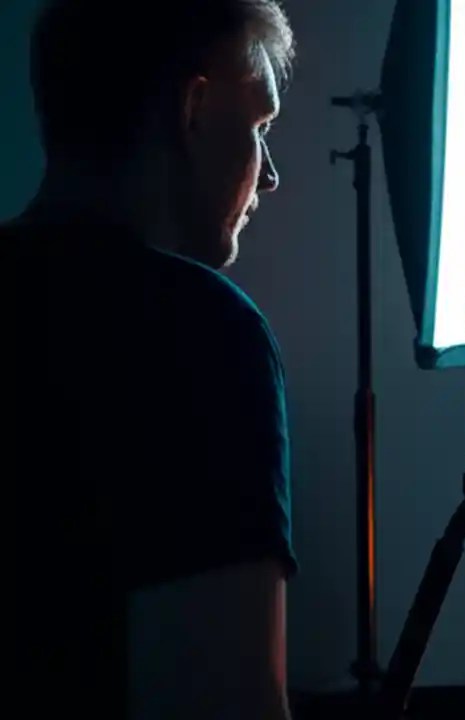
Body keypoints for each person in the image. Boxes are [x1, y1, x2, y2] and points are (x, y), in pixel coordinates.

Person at [1, 1, 297, 717]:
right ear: (193, 110)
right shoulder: (201, 332)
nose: (270, 178)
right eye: (260, 128)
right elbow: (227, 700)